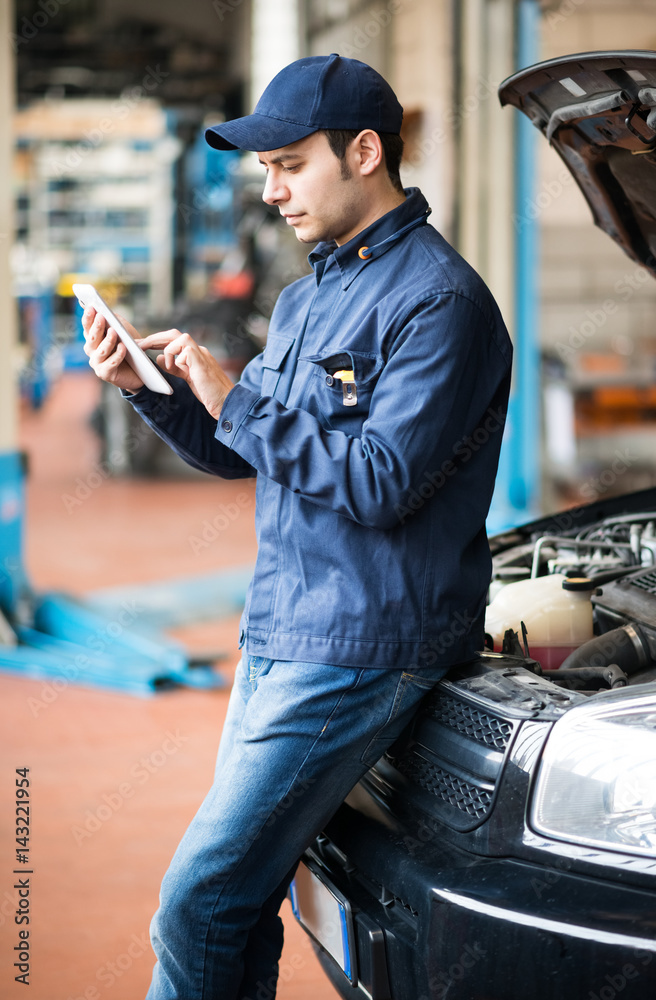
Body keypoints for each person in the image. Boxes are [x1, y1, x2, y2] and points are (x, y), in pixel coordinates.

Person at [82, 53, 512, 1000]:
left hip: (364, 641)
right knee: (234, 902)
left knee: (196, 901)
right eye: (265, 169)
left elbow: (384, 482)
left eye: (289, 164)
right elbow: (247, 451)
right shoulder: (308, 294)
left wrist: (239, 397)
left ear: (365, 152)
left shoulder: (441, 305)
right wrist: (151, 393)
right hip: (286, 624)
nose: (271, 190)